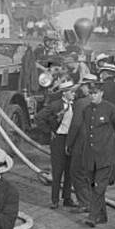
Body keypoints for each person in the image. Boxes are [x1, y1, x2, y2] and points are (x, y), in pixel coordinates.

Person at [68, 76, 115, 228]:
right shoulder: (87, 110)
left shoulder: (111, 109)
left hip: (106, 155)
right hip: (91, 156)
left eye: (96, 93)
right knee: (94, 186)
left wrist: (108, 142)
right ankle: (102, 216)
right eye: (91, 93)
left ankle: (92, 216)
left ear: (102, 93)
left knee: (99, 186)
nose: (93, 96)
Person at [40, 79, 80, 211]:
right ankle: (55, 200)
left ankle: (67, 198)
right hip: (59, 140)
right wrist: (49, 131)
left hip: (71, 140)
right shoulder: (54, 105)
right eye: (72, 92)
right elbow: (38, 118)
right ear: (65, 93)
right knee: (57, 171)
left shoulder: (76, 105)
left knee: (70, 171)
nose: (74, 94)